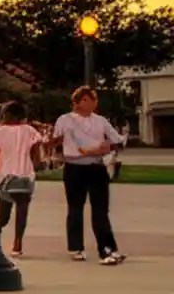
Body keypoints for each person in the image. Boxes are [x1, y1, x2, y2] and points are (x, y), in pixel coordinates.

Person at [52, 86, 125, 265]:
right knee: (75, 208)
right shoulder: (65, 120)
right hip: (74, 167)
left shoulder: (100, 121)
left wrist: (105, 148)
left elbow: (117, 141)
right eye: (93, 99)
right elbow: (56, 141)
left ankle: (107, 248)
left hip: (96, 166)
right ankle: (76, 247)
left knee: (100, 209)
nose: (95, 103)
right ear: (82, 101)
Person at [0, 100, 44, 257]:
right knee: (22, 211)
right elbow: (36, 155)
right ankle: (17, 243)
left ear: (8, 115)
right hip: (25, 176)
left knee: (3, 215)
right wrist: (35, 167)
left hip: (5, 177)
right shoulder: (30, 131)